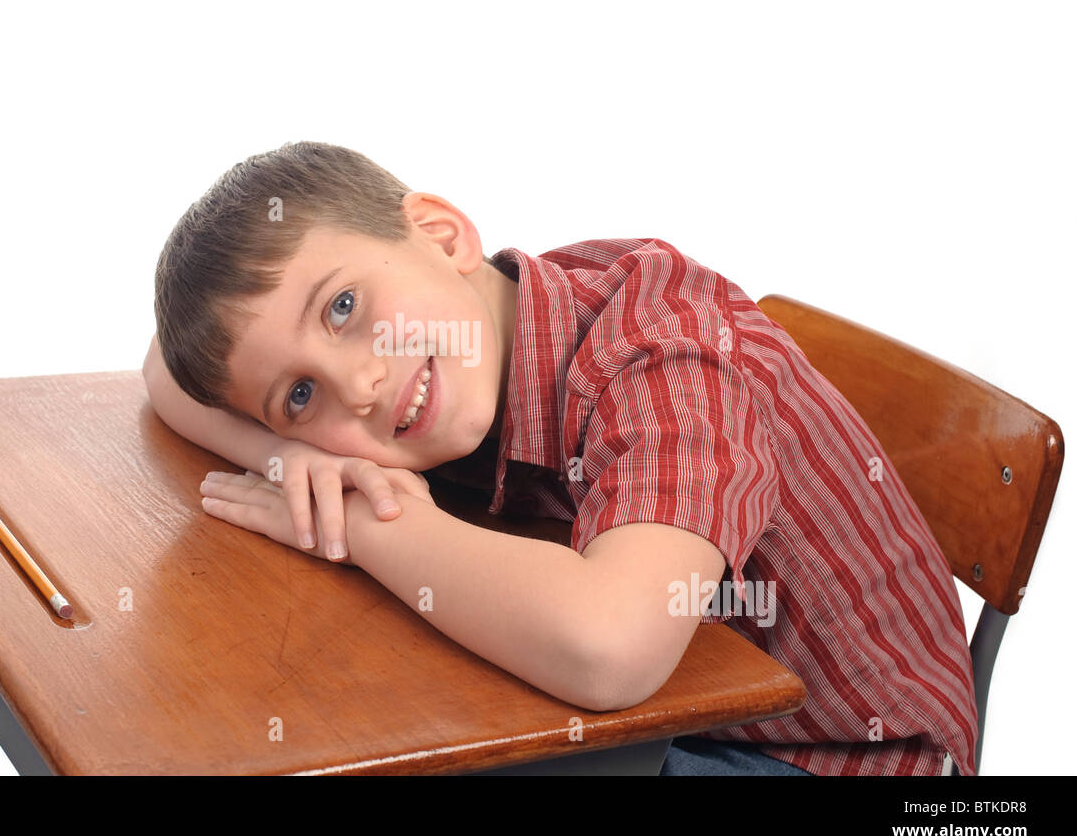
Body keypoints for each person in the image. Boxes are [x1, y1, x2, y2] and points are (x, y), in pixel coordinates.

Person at [145, 141, 978, 775]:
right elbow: (164, 370)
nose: (357, 387)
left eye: (345, 308)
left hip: (837, 759)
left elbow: (608, 645)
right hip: (684, 715)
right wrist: (297, 462)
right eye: (298, 397)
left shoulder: (662, 352)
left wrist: (370, 522)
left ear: (441, 236)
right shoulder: (467, 349)